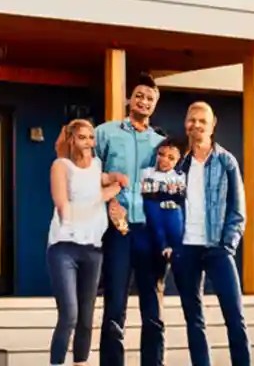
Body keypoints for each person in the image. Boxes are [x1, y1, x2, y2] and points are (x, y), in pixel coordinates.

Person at [95, 73, 168, 366]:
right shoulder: (105, 133)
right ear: (129, 99)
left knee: (153, 309)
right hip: (118, 231)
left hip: (150, 233)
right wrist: (110, 201)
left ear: (155, 104)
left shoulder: (161, 144)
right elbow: (88, 172)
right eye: (139, 95)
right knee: (115, 307)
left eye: (150, 98)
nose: (144, 101)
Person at [172, 102, 252, 366]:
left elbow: (238, 209)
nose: (196, 125)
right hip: (186, 249)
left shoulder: (226, 161)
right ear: (186, 122)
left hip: (218, 247)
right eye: (191, 119)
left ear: (212, 124)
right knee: (194, 319)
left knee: (234, 317)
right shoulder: (177, 164)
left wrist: (228, 244)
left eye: (202, 121)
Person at [47, 119, 125, 366]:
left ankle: (80, 363)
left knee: (86, 318)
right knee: (69, 315)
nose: (89, 142)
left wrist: (115, 178)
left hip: (93, 249)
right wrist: (105, 195)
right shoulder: (61, 166)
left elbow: (100, 178)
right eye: (82, 137)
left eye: (91, 137)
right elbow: (64, 206)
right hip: (64, 248)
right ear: (71, 140)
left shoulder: (97, 165)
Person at [140, 137, 187, 262]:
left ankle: (174, 247)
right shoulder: (146, 173)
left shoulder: (179, 176)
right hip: (152, 211)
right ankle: (163, 246)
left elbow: (180, 196)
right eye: (161, 154)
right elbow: (147, 194)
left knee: (176, 211)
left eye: (171, 158)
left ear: (178, 161)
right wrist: (166, 191)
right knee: (152, 208)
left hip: (172, 214)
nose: (164, 160)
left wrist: (169, 193)